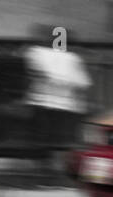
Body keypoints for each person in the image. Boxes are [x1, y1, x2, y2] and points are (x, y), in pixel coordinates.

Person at [22, 25, 92, 161]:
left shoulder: (36, 52)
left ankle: (40, 163)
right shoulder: (73, 58)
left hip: (41, 102)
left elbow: (36, 70)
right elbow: (83, 83)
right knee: (58, 139)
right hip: (64, 104)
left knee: (40, 137)